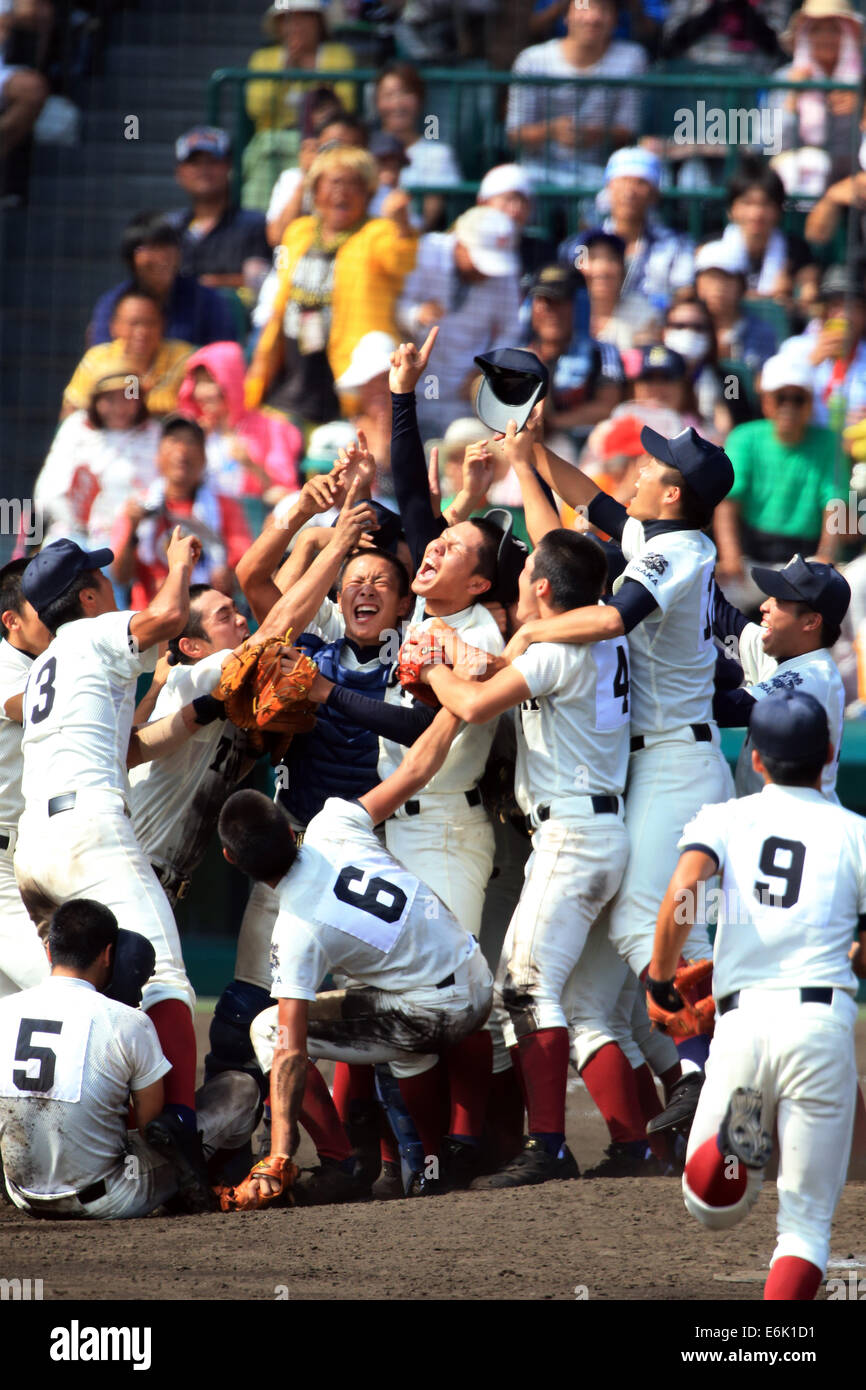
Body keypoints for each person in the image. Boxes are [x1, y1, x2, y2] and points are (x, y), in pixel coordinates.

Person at [502, 409, 736, 1137]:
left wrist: (532, 628)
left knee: (653, 920)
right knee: (618, 973)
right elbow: (586, 507)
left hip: (674, 760)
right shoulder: (661, 534)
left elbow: (610, 620)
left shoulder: (682, 550)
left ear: (674, 495)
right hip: (666, 760)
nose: (635, 472)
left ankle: (710, 1070)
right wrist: (531, 452)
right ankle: (691, 1084)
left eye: (652, 467)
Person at [410, 525, 631, 1188]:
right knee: (587, 1008)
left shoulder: (557, 649)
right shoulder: (592, 639)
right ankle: (636, 1145)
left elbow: (475, 703)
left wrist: (428, 666)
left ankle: (550, 1148)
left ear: (541, 589)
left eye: (527, 572)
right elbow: (496, 670)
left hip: (571, 836)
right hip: (596, 830)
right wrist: (451, 644)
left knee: (524, 986)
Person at [11, 532, 225, 1211]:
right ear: (86, 595)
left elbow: (128, 744)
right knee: (167, 980)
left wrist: (202, 711)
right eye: (100, 578)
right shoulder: (92, 634)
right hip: (89, 830)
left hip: (35, 849)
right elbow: (165, 617)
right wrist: (184, 559)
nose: (111, 583)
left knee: (96, 989)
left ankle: (91, 1126)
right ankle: (180, 1131)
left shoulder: (49, 661)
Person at [221, 707, 495, 1207]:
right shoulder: (333, 822)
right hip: (477, 970)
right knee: (386, 998)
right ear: (288, 830)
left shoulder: (296, 929)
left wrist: (280, 1151)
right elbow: (416, 769)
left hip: (437, 1011)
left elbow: (288, 1048)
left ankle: (343, 1158)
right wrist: (459, 705)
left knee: (266, 1028)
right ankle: (433, 1164)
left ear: (231, 860)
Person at [648, 689, 866, 1301]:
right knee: (804, 1232)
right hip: (821, 1026)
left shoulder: (726, 817)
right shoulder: (855, 832)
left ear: (757, 759)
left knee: (709, 1206)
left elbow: (685, 893)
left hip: (744, 1023)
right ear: (828, 755)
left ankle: (732, 1142)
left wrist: (662, 979)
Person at [0, 899, 259, 1219]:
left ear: (49, 951)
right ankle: (210, 1183)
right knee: (241, 1090)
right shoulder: (127, 1021)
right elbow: (153, 1126)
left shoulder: (4, 1010)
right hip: (109, 1197)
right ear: (109, 955)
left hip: (21, 1192)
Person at [247, 145, 417, 427]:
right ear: (316, 189)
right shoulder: (299, 231)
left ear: (369, 193)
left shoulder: (377, 232)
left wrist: (401, 225)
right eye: (335, 181)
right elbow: (280, 298)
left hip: (343, 382)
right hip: (291, 371)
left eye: (355, 183)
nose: (343, 191)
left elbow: (401, 260)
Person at [127, 585, 255, 912]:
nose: (241, 620)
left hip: (156, 879)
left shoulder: (225, 698)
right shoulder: (190, 679)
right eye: (224, 616)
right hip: (134, 875)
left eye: (236, 609)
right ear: (192, 646)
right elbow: (257, 650)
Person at [712, 554, 850, 802]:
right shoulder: (784, 648)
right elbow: (718, 612)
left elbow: (727, 709)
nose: (764, 605)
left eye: (779, 600)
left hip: (804, 826)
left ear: (810, 621)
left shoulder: (815, 676)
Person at [713, 353, 845, 608]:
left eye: (798, 399)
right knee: (712, 604)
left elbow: (835, 503)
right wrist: (731, 556)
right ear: (766, 401)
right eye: (781, 397)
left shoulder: (829, 443)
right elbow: (728, 502)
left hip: (806, 563)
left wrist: (827, 555)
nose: (789, 406)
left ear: (809, 404)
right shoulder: (744, 437)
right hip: (749, 560)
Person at [397, 206, 522, 438]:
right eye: (480, 261)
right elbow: (393, 307)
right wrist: (416, 314)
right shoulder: (426, 251)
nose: (486, 272)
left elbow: (511, 329)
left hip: (467, 395)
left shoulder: (504, 272)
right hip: (417, 385)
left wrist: (486, 369)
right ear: (461, 244)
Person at [110, 415, 252, 608]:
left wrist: (228, 576)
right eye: (174, 441)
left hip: (207, 620)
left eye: (190, 442)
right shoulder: (138, 507)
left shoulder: (226, 507)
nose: (182, 451)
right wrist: (131, 532)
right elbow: (121, 576)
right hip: (151, 617)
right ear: (158, 455)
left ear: (204, 457)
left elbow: (246, 569)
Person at [505, 0, 647, 190]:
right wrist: (552, 130)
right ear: (566, 15)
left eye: (603, 9)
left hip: (600, 172)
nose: (592, 17)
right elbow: (515, 133)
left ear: (615, 19)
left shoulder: (632, 58)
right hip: (537, 169)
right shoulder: (532, 59)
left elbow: (629, 129)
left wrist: (594, 134)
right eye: (583, 6)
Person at [34, 371, 161, 552]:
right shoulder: (75, 426)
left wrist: (128, 522)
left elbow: (158, 490)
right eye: (110, 399)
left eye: (128, 397)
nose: (120, 408)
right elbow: (48, 489)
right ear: (96, 401)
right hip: (70, 532)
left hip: (130, 540)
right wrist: (79, 525)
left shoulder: (154, 432)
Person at [0, 560, 51, 999]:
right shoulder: (5, 668)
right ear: (11, 621)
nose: (56, 615)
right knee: (65, 987)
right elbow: (22, 705)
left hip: (29, 856)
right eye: (44, 607)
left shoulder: (47, 665)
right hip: (2, 865)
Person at [566, 147, 695, 312]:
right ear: (608, 187)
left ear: (654, 194)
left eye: (640, 182)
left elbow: (684, 293)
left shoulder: (678, 245)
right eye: (623, 180)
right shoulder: (580, 245)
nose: (630, 191)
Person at [87, 212, 241, 349]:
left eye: (167, 246)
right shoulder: (114, 303)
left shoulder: (205, 300)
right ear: (130, 258)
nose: (161, 257)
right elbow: (102, 356)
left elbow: (224, 355)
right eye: (150, 248)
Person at [175, 342, 303, 502]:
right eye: (197, 382)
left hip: (252, 520)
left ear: (231, 380)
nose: (201, 392)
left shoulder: (272, 428)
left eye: (209, 382)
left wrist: (251, 465)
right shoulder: (193, 430)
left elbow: (284, 492)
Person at [521, 261, 626, 434]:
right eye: (544, 301)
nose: (551, 311)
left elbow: (607, 407)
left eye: (560, 301)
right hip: (527, 443)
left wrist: (551, 424)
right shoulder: (519, 354)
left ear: (581, 306)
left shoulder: (603, 353)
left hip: (582, 447)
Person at [768, 0, 862, 189]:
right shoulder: (784, 78)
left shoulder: (863, 81)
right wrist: (793, 98)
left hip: (853, 173)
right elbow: (768, 142)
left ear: (849, 36)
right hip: (799, 173)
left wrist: (862, 110)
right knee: (814, 165)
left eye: (835, 30)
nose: (825, 38)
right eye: (816, 30)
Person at [166, 127, 270, 294]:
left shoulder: (254, 225)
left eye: (212, 161)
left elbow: (267, 282)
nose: (204, 169)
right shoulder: (169, 227)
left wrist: (211, 284)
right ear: (179, 173)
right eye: (194, 162)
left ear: (229, 168)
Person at [61, 290, 193, 420]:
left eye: (150, 323)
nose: (142, 332)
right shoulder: (97, 359)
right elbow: (72, 409)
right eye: (133, 323)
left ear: (163, 325)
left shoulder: (183, 358)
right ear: (114, 327)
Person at [719, 155, 819, 312]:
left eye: (766, 204)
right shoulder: (712, 249)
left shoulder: (797, 250)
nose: (756, 213)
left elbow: (808, 301)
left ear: (779, 210)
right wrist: (770, 298)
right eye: (747, 203)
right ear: (731, 209)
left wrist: (791, 299)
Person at [777, 264, 866, 434]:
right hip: (805, 442)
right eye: (836, 306)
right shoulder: (796, 347)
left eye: (854, 307)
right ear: (822, 311)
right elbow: (774, 399)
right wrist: (811, 361)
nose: (845, 315)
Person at [373, 61, 462, 233]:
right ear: (377, 102)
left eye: (405, 93)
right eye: (388, 95)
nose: (397, 104)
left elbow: (427, 219)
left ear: (420, 100)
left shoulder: (438, 154)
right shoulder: (363, 150)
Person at [246, 0, 355, 137]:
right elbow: (256, 109)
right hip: (273, 142)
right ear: (277, 25)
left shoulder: (340, 55)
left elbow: (347, 106)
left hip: (327, 139)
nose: (296, 25)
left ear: (319, 23)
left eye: (305, 17)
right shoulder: (262, 58)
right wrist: (286, 68)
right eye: (287, 18)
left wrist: (310, 69)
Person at [693, 239, 779, 374]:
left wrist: (732, 367)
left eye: (727, 278)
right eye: (711, 278)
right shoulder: (684, 323)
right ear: (698, 283)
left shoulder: (762, 332)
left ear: (741, 285)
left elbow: (754, 386)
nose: (718, 288)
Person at [573, 228, 661, 352]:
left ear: (623, 270)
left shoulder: (642, 311)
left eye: (611, 259)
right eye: (592, 258)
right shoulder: (566, 310)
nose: (602, 269)